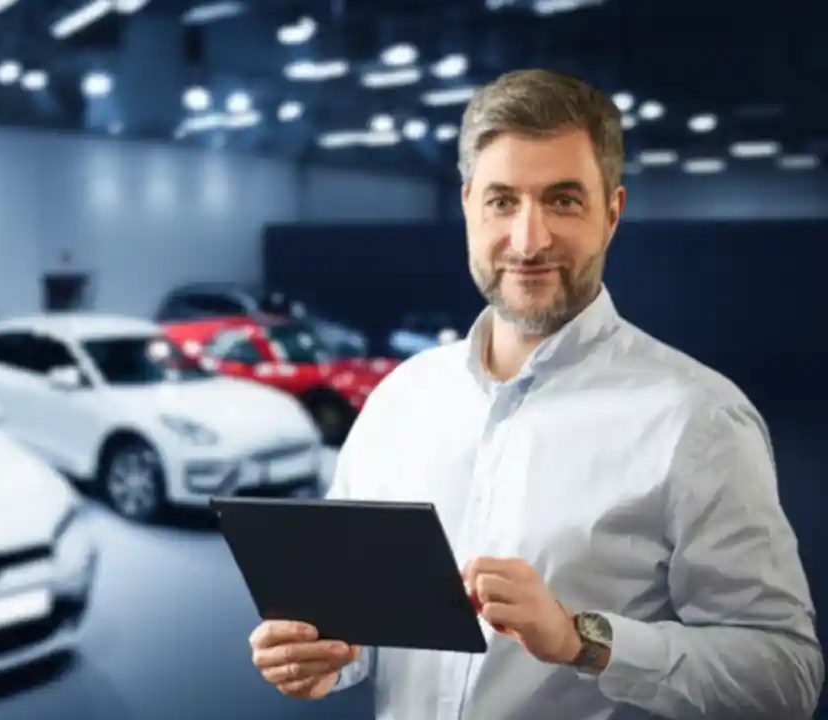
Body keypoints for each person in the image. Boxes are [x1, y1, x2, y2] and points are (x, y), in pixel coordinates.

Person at [247, 68, 824, 719]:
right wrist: (321, 653)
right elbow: (359, 629)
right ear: (468, 206)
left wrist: (585, 640)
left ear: (612, 214)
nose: (529, 241)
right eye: (502, 201)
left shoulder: (698, 418)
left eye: (563, 200)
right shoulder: (400, 400)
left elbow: (788, 678)